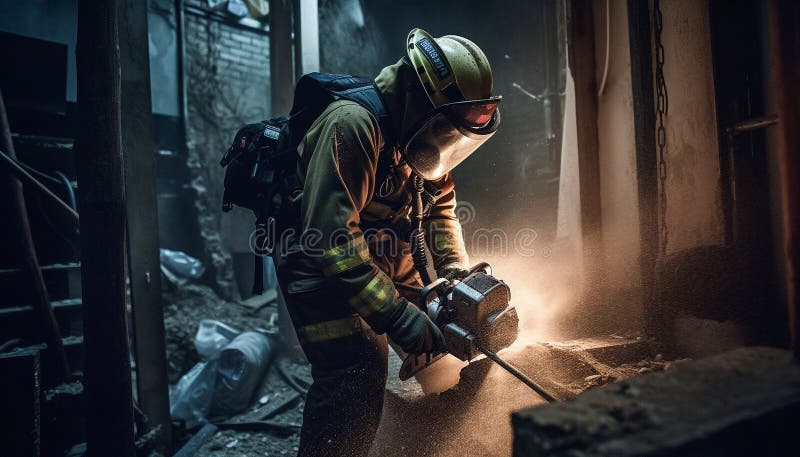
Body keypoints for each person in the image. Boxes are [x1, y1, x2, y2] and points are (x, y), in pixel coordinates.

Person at [274, 28, 501, 456]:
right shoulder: (352, 125)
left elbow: (439, 210)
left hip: (380, 257)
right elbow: (331, 239)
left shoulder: (422, 137)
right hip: (319, 263)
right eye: (448, 127)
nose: (448, 143)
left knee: (444, 354)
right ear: (423, 101)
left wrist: (455, 277)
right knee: (356, 371)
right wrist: (397, 317)